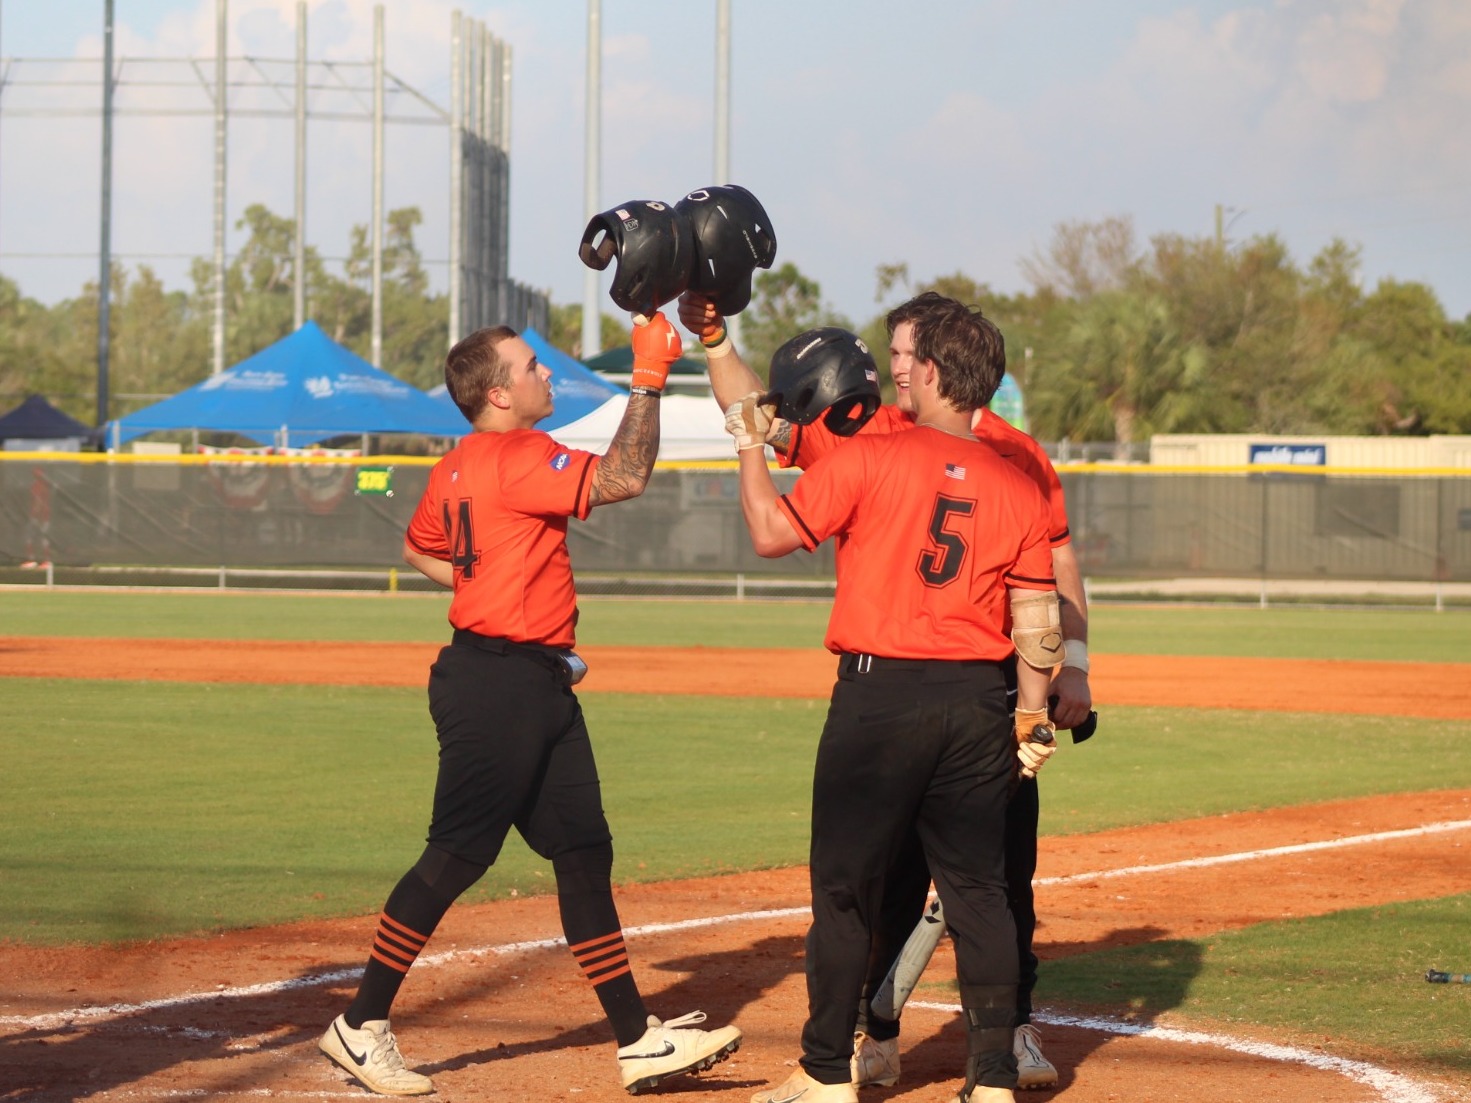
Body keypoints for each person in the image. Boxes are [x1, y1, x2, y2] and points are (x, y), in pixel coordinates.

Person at [318, 313, 742, 1097]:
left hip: (531, 680)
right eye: (531, 365)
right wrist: (647, 377)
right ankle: (359, 1022)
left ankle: (634, 1038)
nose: (545, 372)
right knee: (455, 854)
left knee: (583, 853)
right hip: (498, 687)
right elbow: (623, 477)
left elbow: (419, 547)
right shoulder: (521, 453)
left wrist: (490, 598)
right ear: (499, 394)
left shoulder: (456, 465)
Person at [681, 289, 1092, 1091]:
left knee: (844, 891)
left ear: (932, 371)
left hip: (879, 695)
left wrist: (745, 448)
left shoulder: (868, 453)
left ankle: (827, 1071)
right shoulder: (1013, 483)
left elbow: (770, 531)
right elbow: (1038, 616)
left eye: (905, 358)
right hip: (981, 701)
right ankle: (992, 1076)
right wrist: (1034, 713)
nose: (892, 371)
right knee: (982, 896)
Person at [21, 466, 53, 569]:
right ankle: (43, 561)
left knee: (31, 537)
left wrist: (36, 515)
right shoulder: (44, 485)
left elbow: (38, 502)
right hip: (43, 516)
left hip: (39, 516)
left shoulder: (38, 486)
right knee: (40, 538)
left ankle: (34, 560)